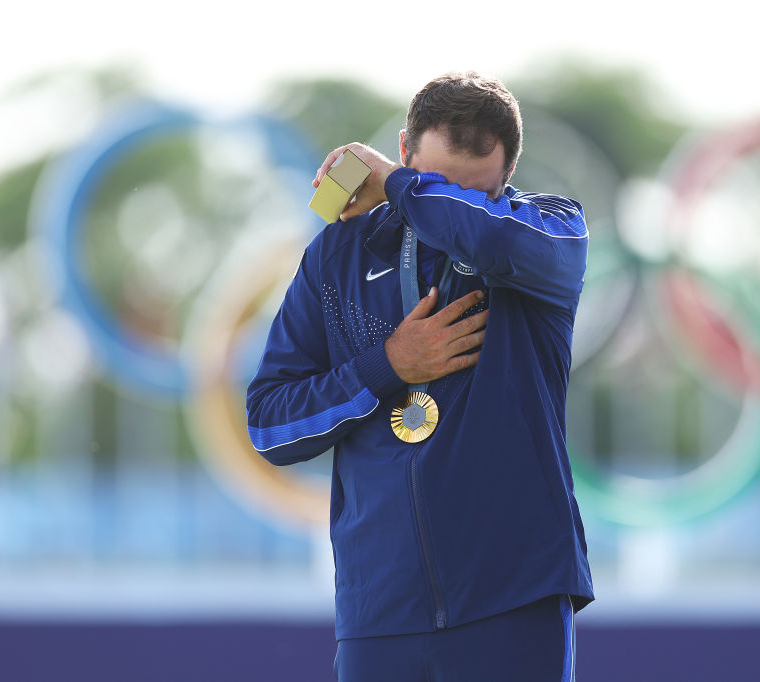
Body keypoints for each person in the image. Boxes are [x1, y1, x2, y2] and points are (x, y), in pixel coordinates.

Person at [246, 71, 594, 682]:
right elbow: (270, 426)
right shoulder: (336, 255)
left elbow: (482, 231)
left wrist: (405, 187)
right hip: (381, 610)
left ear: (508, 175)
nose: (442, 212)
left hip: (514, 595)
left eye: (467, 192)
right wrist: (386, 367)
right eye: (431, 178)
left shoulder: (548, 233)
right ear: (405, 148)